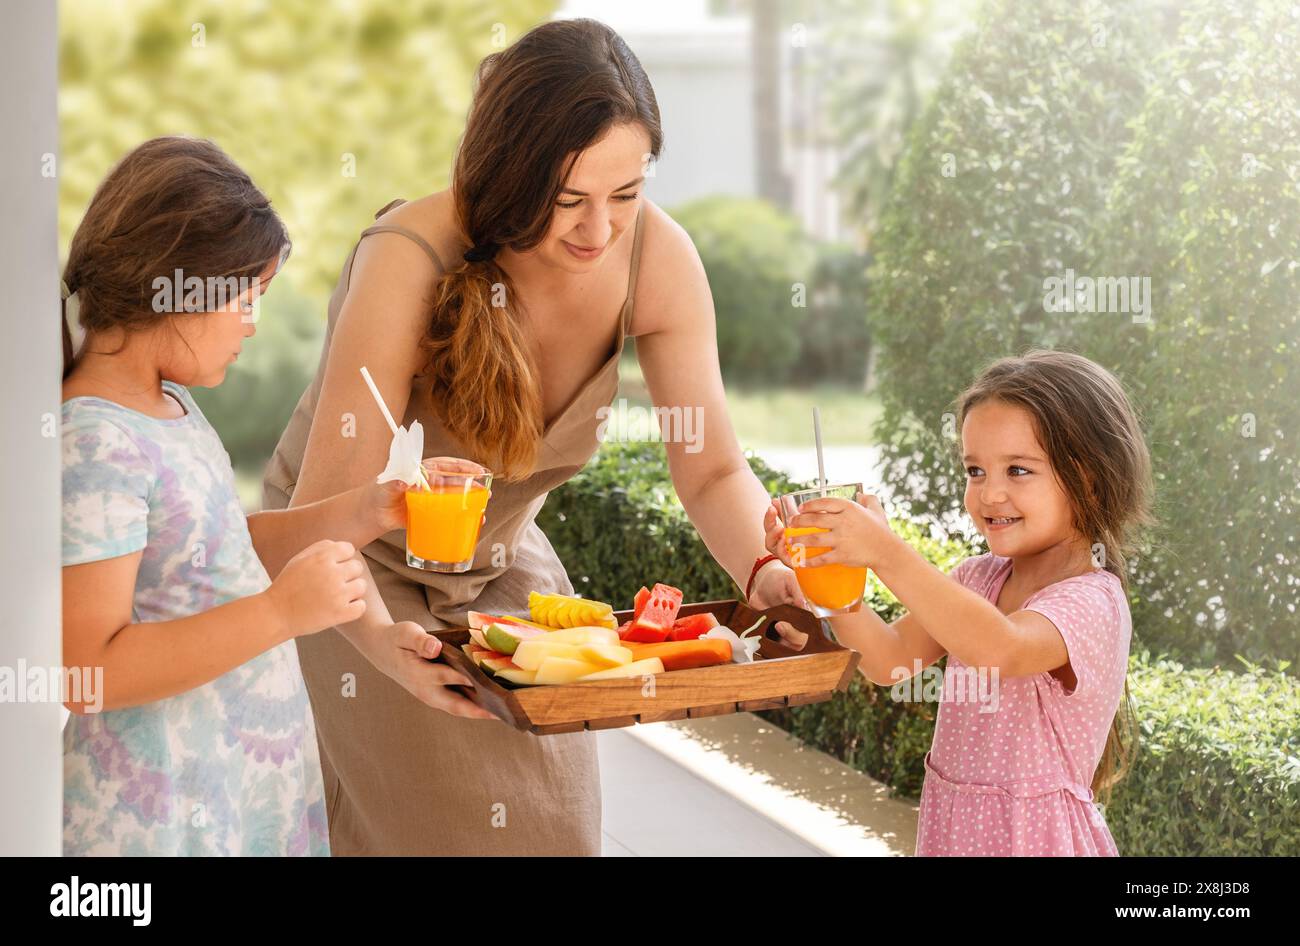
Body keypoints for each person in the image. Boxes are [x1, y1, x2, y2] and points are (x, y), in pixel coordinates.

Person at [262, 18, 803, 855]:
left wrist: (765, 569)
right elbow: (326, 510)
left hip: (499, 560)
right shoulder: (410, 256)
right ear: (510, 177)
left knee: (556, 827)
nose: (600, 231)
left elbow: (712, 471)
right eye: (568, 200)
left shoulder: (657, 258)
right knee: (426, 824)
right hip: (352, 567)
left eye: (626, 195)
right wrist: (378, 643)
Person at [60, 136, 424, 855]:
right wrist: (281, 611)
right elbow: (87, 669)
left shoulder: (167, 404)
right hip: (162, 818)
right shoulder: (94, 442)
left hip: (232, 795)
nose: (253, 324)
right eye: (245, 298)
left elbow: (215, 553)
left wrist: (358, 513)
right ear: (176, 284)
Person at [765, 350, 1153, 855]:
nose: (989, 494)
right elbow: (889, 662)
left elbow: (1002, 648)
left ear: (1088, 479)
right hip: (954, 837)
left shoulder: (1091, 599)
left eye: (1018, 470)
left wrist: (885, 550)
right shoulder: (977, 578)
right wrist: (830, 580)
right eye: (975, 470)